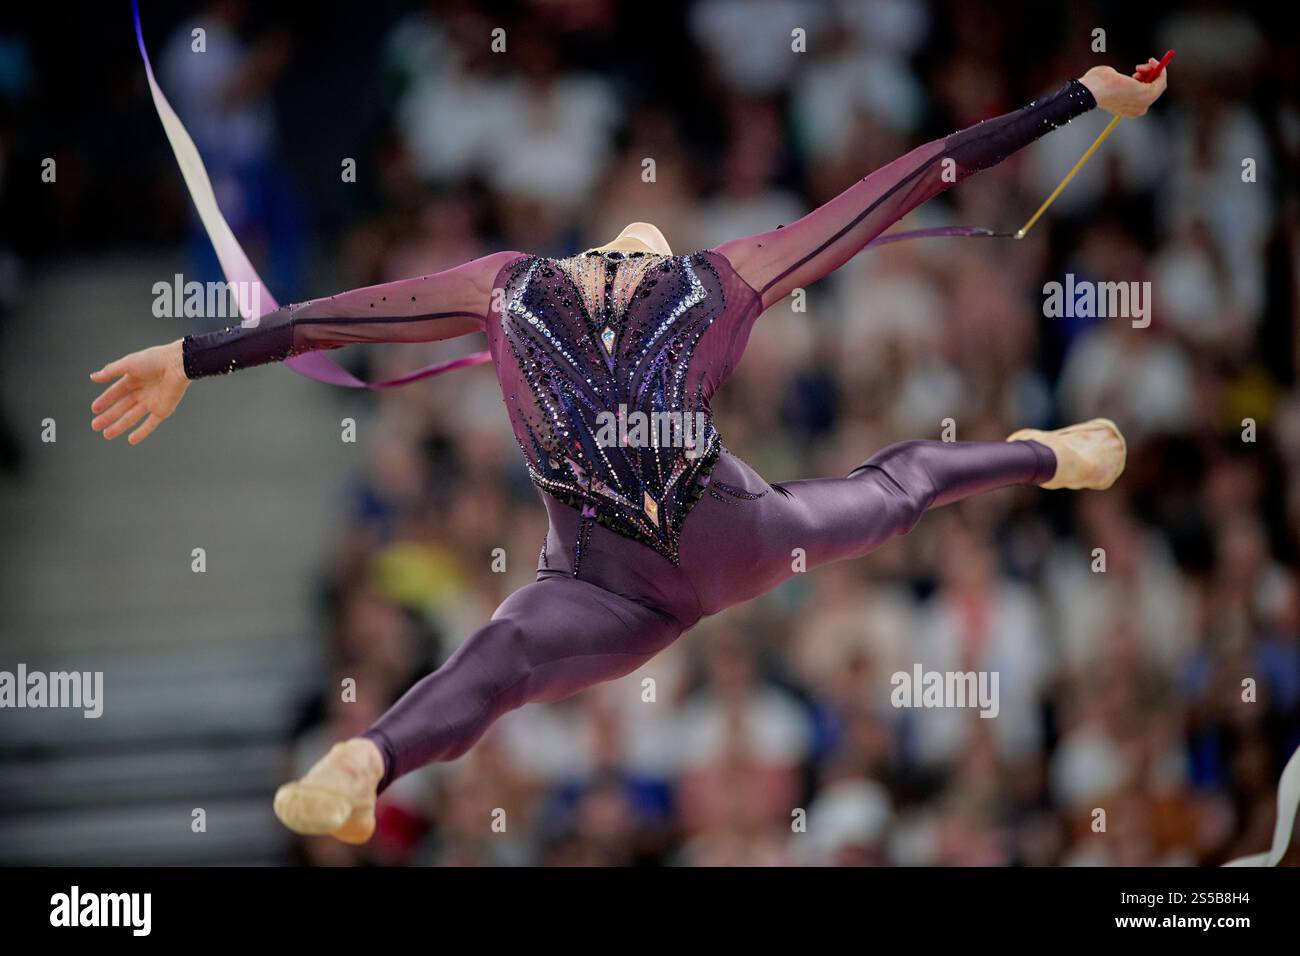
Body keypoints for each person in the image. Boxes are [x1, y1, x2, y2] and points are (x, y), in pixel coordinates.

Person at [90, 61, 1167, 844]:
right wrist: (1077, 99)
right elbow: (909, 178)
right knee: (892, 489)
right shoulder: (717, 276)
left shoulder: (507, 286)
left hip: (606, 580)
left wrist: (194, 357)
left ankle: (370, 753)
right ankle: (1044, 453)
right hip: (723, 539)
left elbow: (325, 319)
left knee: (499, 659)